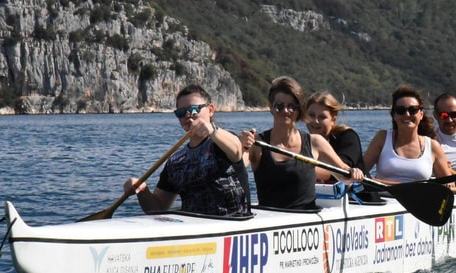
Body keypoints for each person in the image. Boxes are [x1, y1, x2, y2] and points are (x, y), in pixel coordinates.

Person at [123, 84, 249, 216]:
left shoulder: (223, 141)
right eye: (181, 113)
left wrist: (211, 130)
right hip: (193, 227)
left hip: (231, 224)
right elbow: (158, 207)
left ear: (211, 110)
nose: (188, 116)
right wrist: (142, 191)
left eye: (194, 109)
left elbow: (237, 152)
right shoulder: (176, 161)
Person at [238, 77, 364, 210]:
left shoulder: (315, 142)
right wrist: (242, 146)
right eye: (279, 106)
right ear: (271, 107)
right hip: (272, 220)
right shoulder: (257, 143)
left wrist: (352, 172)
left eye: (291, 106)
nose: (285, 111)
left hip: (306, 223)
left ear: (299, 109)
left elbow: (343, 174)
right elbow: (237, 166)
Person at [363, 84, 454, 183]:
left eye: (413, 110)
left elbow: (449, 184)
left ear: (421, 114)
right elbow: (360, 172)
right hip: (382, 197)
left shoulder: (433, 146)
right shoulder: (382, 138)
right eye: (401, 110)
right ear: (394, 115)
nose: (407, 114)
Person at [303, 91, 363, 183]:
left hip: (356, 195)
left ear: (333, 120)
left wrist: (297, 169)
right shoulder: (303, 140)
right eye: (311, 115)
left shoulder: (348, 137)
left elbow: (340, 172)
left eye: (322, 117)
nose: (315, 121)